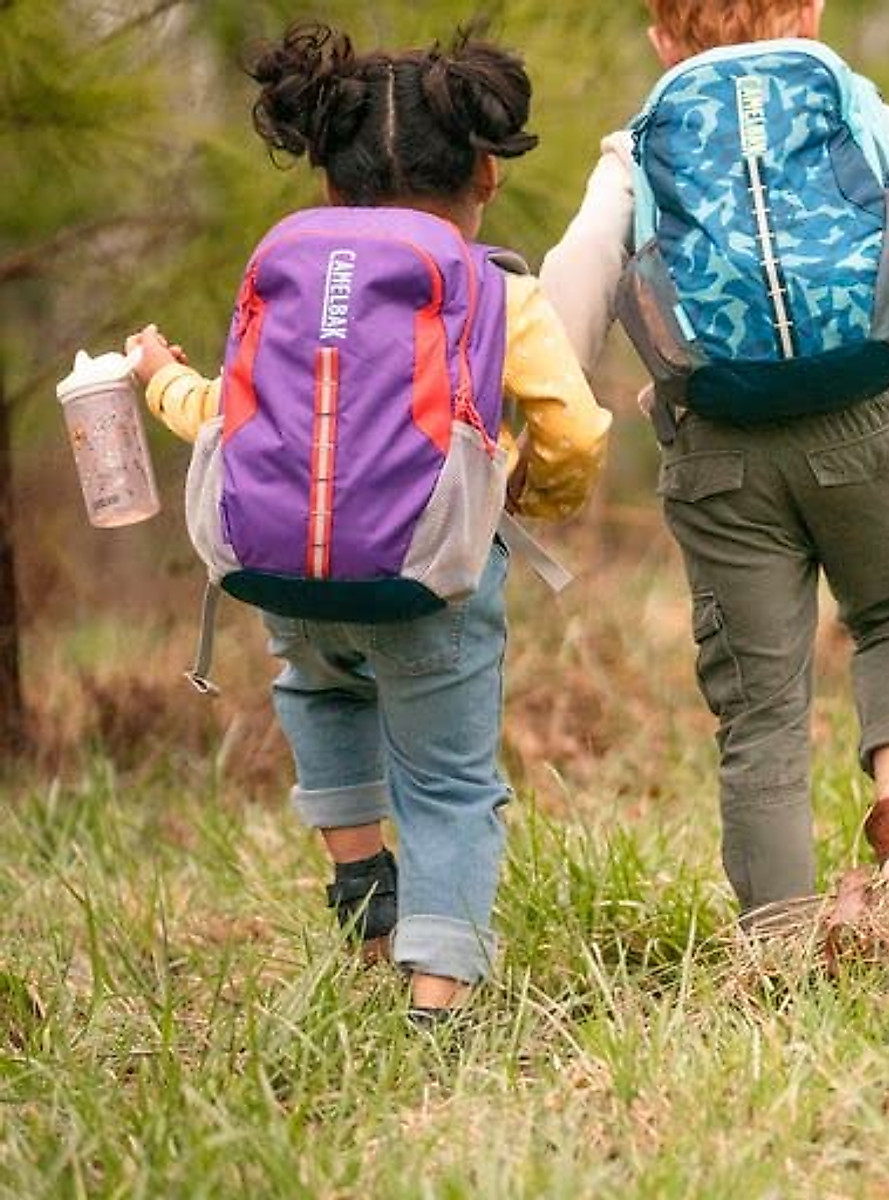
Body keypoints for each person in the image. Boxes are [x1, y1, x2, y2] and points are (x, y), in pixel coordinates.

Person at [539, 0, 889, 926]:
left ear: (662, 39)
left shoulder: (639, 143)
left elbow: (576, 277)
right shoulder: (865, 112)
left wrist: (540, 427)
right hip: (860, 425)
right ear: (811, 15)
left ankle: (779, 943)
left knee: (760, 704)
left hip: (717, 451)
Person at [126, 22, 611, 1017]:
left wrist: (160, 378)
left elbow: (226, 410)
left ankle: (358, 870)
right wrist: (533, 494)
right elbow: (574, 429)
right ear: (487, 174)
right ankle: (437, 1005)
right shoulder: (496, 287)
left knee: (318, 695)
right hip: (431, 582)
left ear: (327, 180)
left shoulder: (293, 275)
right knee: (448, 786)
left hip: (285, 577)